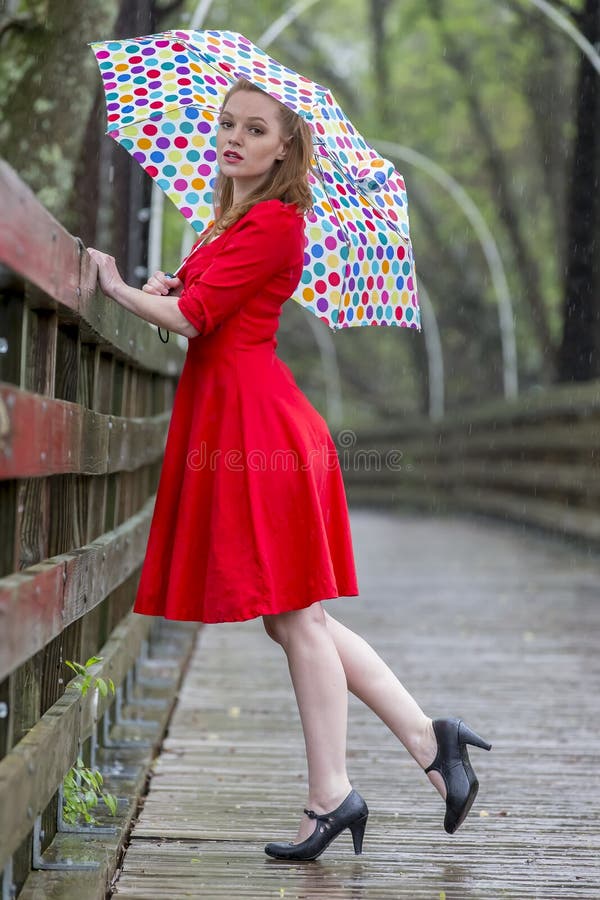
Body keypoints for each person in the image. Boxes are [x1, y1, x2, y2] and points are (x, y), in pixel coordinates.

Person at [87, 78, 491, 862]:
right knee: (292, 616)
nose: (234, 138)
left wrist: (120, 289)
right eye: (227, 124)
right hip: (241, 417)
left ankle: (332, 792)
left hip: (259, 429)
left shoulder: (274, 224)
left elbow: (193, 320)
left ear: (286, 146)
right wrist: (173, 282)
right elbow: (202, 302)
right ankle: (427, 739)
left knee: (297, 616)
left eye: (255, 129)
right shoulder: (230, 222)